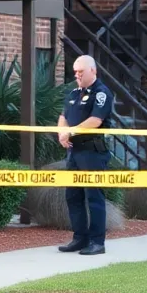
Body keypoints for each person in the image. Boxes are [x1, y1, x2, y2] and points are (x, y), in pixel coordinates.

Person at [57, 55, 114, 256]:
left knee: (94, 197)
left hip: (92, 152)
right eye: (75, 72)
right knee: (73, 196)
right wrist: (62, 133)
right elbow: (63, 116)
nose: (77, 75)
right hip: (74, 151)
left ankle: (97, 242)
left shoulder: (101, 93)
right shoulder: (74, 93)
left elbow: (95, 121)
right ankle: (79, 238)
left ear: (93, 71)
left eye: (81, 72)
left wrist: (70, 132)